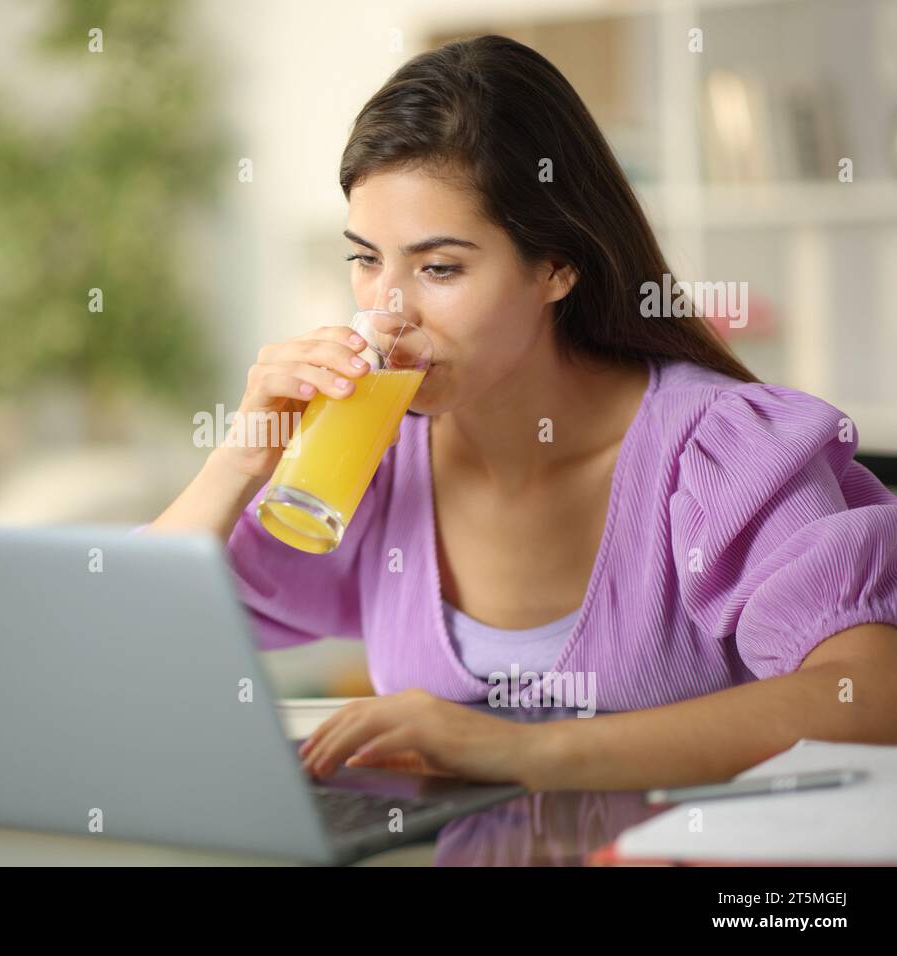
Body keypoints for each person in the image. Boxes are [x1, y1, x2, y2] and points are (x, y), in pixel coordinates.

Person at [141, 36, 897, 791]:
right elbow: (135, 636)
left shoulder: (718, 451)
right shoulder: (368, 451)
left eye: (439, 268)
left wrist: (528, 754)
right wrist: (240, 456)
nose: (386, 310)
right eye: (367, 260)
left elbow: (867, 697)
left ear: (557, 266)